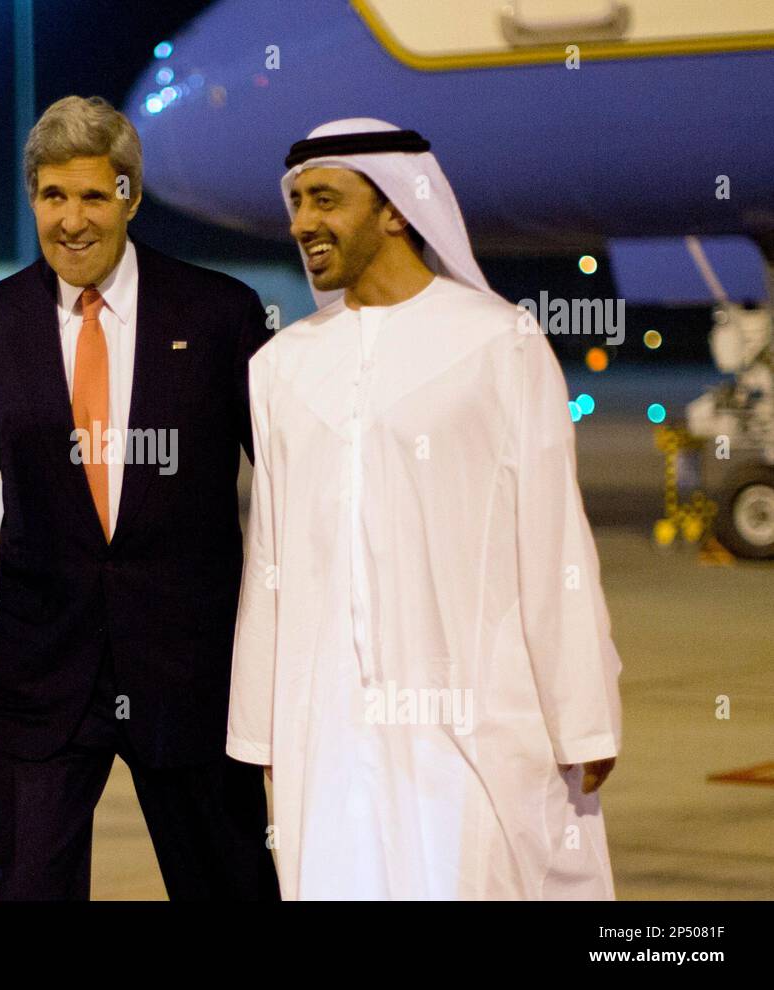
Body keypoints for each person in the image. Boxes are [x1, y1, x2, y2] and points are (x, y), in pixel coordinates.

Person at [227, 118, 622, 900]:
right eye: (297, 201)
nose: (302, 222)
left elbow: (553, 544)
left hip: (476, 717)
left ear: (396, 208)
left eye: (326, 199)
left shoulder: (499, 343)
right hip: (328, 729)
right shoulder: (280, 367)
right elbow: (269, 558)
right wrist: (263, 726)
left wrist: (582, 713)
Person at [0, 95, 278, 900]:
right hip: (43, 674)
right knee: (30, 885)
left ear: (130, 198)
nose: (72, 221)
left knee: (229, 885)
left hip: (189, 675)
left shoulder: (220, 314)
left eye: (92, 196)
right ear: (32, 199)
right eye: (53, 196)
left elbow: (290, 490)